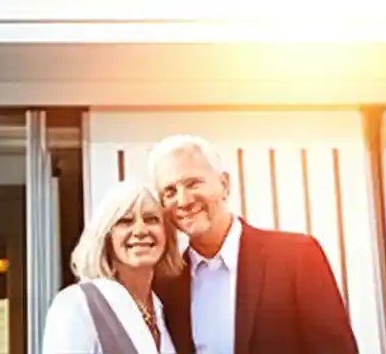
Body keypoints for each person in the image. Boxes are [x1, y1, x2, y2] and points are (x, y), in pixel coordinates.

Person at [148, 134, 358, 354]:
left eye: (193, 184)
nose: (183, 201)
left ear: (224, 184)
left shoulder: (296, 256)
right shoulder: (166, 285)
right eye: (170, 191)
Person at [42, 179, 182, 353]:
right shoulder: (77, 304)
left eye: (151, 219)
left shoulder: (165, 310)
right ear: (107, 237)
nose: (140, 230)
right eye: (126, 221)